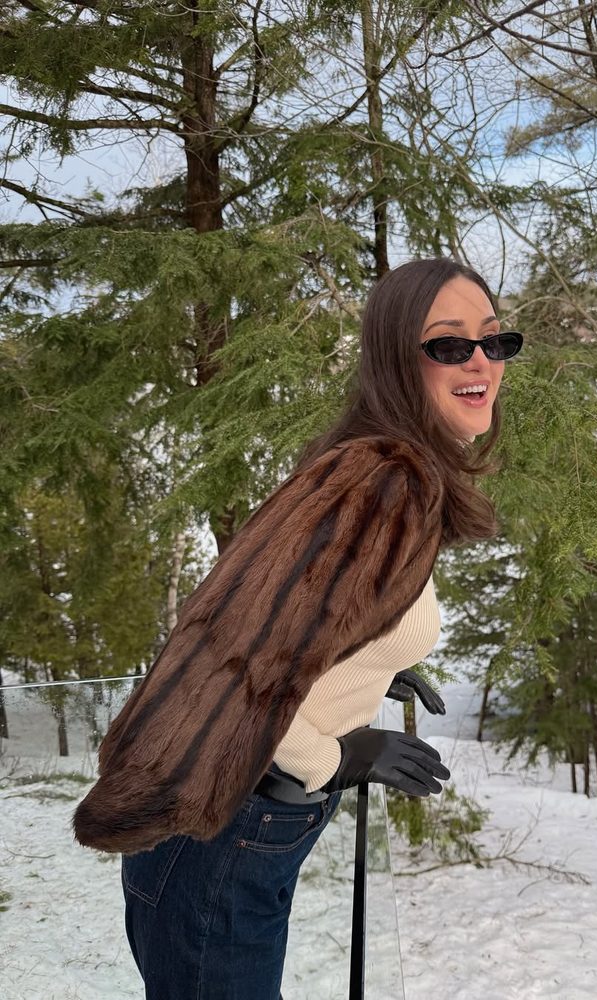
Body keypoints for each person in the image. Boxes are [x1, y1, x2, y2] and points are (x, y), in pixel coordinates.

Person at [73, 257, 523, 998]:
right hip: (226, 826)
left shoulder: (387, 465)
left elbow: (304, 613)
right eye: (448, 344)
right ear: (395, 358)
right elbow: (228, 659)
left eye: (494, 341)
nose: (479, 362)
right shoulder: (386, 478)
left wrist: (370, 660)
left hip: (247, 828)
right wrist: (339, 753)